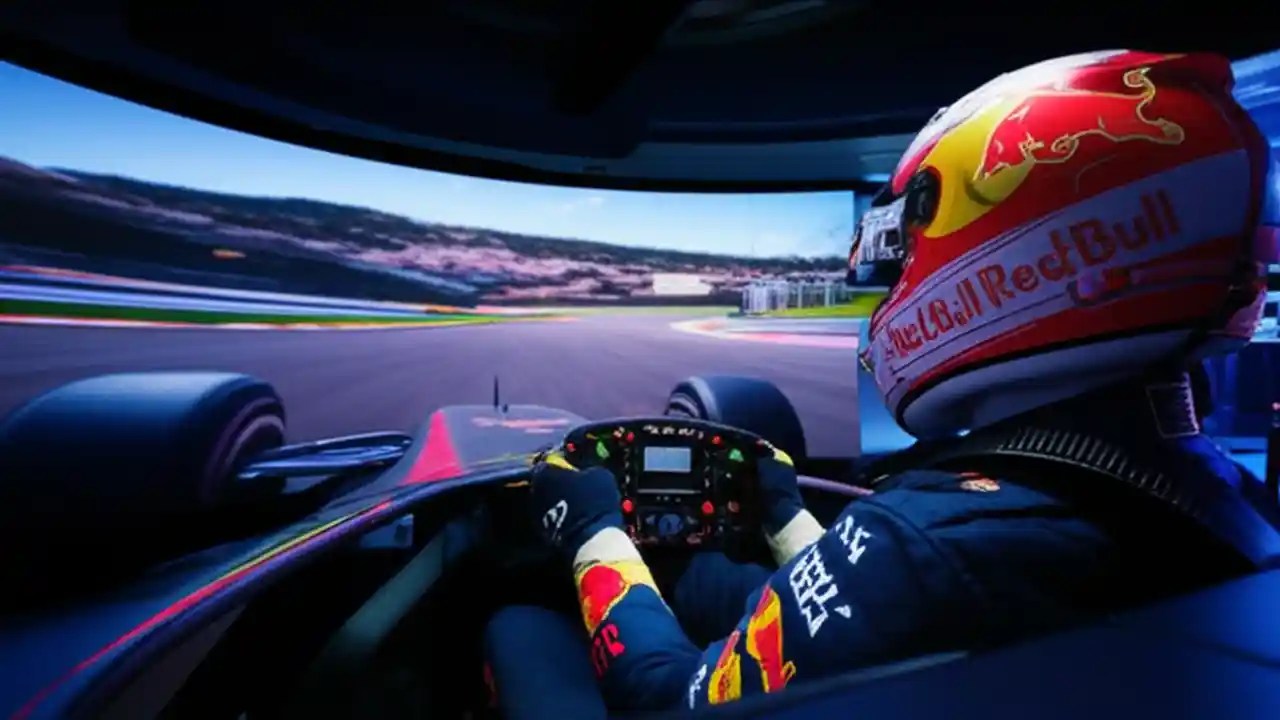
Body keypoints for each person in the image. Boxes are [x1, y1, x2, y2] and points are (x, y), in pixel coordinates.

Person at [484, 49, 1280, 717]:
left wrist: (595, 531)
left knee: (519, 622)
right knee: (700, 580)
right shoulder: (1220, 490)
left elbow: (670, 698)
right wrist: (787, 513)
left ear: (1027, 244)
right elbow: (853, 611)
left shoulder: (932, 542)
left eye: (907, 249)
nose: (896, 285)